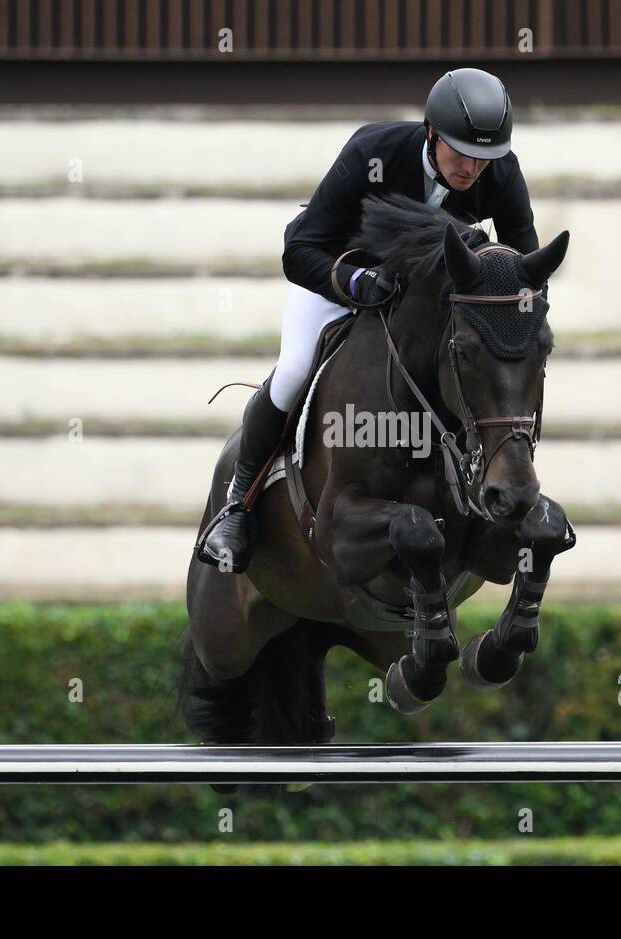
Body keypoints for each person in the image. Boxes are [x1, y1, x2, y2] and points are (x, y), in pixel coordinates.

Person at [196, 67, 540, 573]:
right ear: (431, 133)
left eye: (484, 158)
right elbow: (298, 250)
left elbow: (523, 263)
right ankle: (237, 504)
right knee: (293, 371)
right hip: (341, 279)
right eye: (460, 152)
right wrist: (355, 282)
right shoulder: (372, 153)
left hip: (425, 305)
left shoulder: (500, 172)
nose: (471, 168)